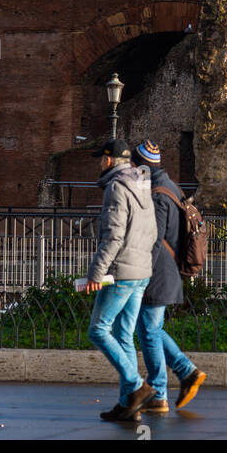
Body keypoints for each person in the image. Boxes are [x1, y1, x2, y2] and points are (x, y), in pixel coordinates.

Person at [84, 138, 157, 423]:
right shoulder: (142, 183)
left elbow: (112, 237)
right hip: (141, 270)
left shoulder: (116, 187)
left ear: (110, 160)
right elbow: (152, 231)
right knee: (124, 335)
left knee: (98, 330)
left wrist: (96, 274)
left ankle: (137, 386)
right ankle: (128, 405)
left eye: (101, 159)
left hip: (123, 272)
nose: (100, 164)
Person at [131, 140, 206, 414]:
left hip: (157, 274)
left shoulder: (158, 194)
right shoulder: (170, 186)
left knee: (149, 331)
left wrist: (139, 272)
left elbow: (154, 238)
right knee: (150, 329)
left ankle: (159, 393)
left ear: (142, 166)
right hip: (167, 271)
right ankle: (187, 372)